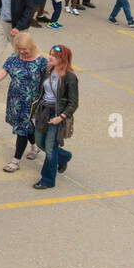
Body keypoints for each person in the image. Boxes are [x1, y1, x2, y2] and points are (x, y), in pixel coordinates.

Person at [0, 33, 46, 172]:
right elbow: (4, 70)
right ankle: (35, 146)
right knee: (24, 125)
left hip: (30, 102)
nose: (22, 52)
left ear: (32, 47)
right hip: (15, 100)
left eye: (25, 49)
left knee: (21, 129)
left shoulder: (42, 62)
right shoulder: (14, 57)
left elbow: (49, 81)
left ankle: (16, 161)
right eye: (19, 49)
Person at [33, 45, 78, 189]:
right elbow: (41, 92)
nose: (50, 57)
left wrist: (61, 117)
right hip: (43, 111)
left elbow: (73, 103)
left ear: (62, 59)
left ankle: (47, 180)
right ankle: (64, 157)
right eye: (50, 54)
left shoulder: (70, 78)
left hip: (57, 114)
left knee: (50, 149)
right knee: (40, 142)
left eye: (54, 55)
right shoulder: (48, 71)